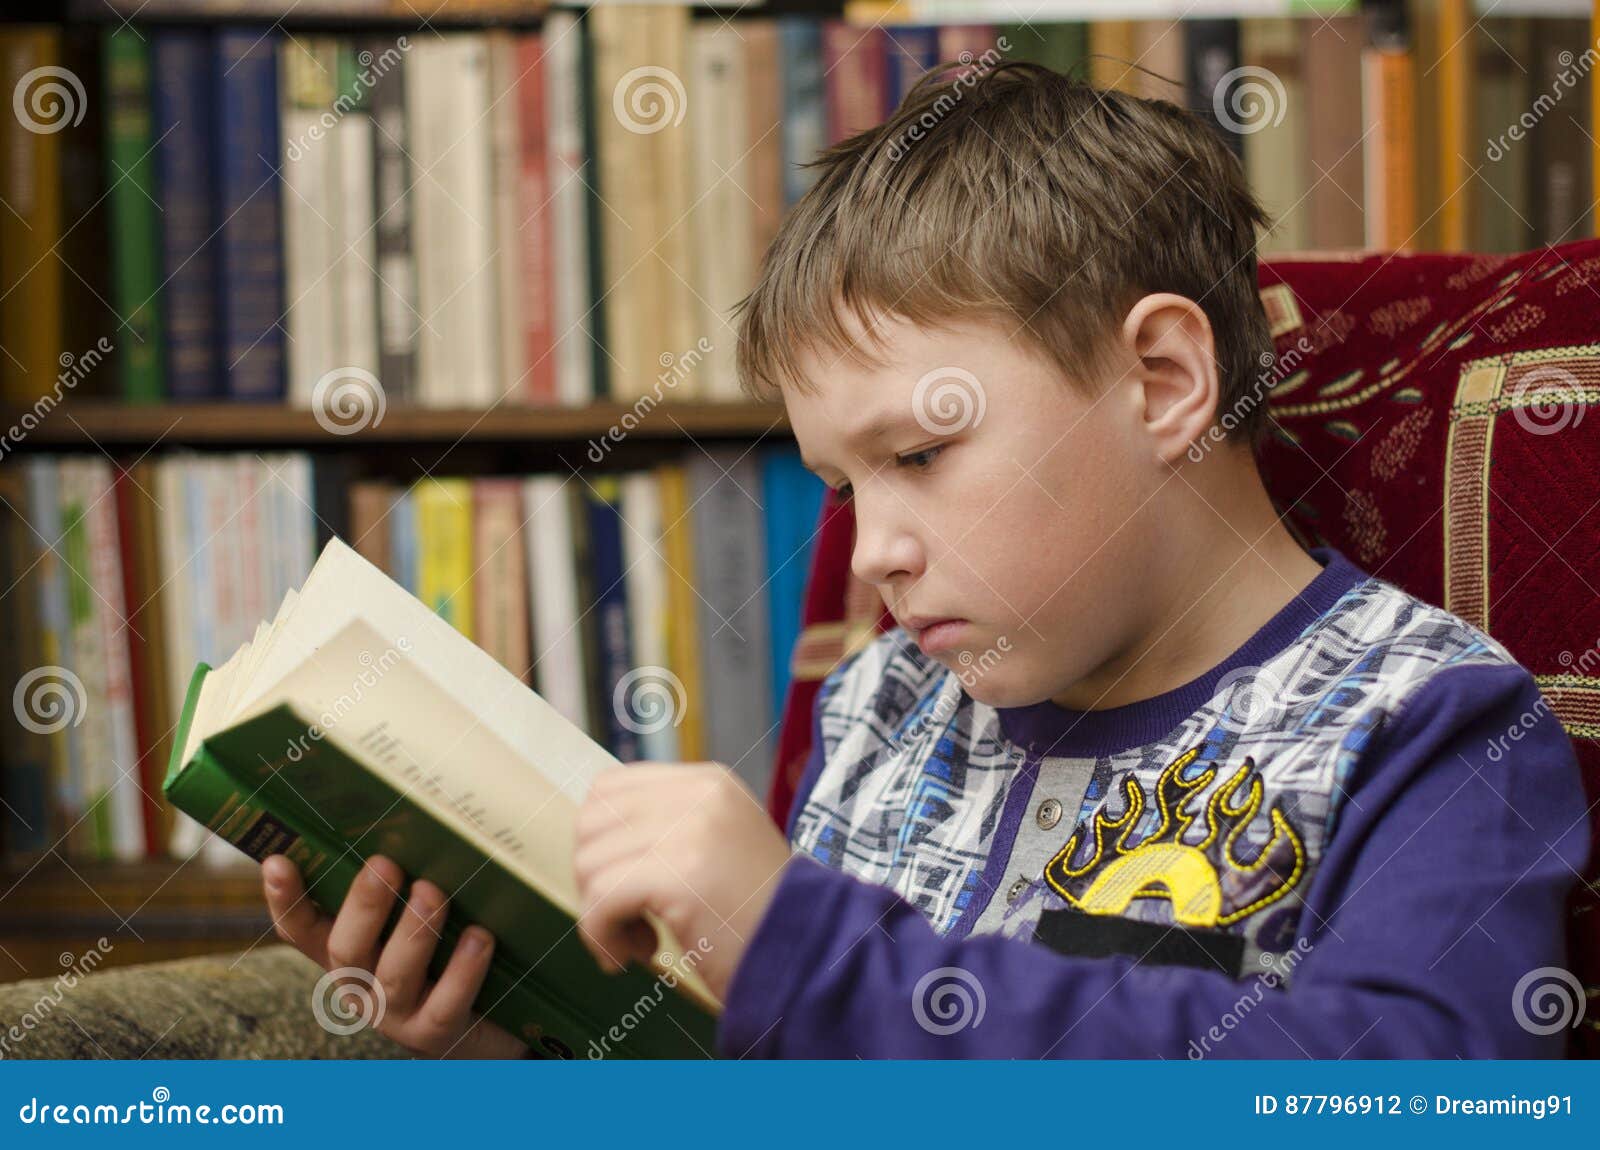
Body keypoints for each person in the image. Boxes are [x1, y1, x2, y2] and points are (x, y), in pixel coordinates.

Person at [263, 61, 1589, 1059]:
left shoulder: (1428, 723)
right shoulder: (888, 707)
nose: (872, 549)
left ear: (1164, 380)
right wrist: (519, 1031)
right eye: (842, 482)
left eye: (920, 452)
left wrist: (802, 947)